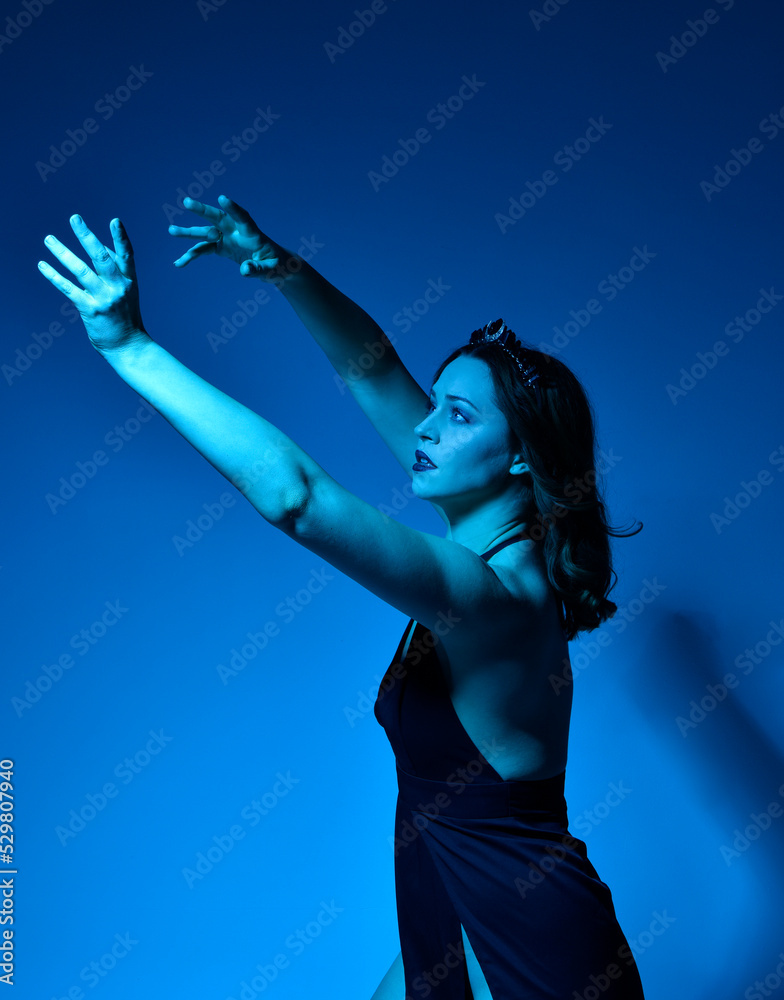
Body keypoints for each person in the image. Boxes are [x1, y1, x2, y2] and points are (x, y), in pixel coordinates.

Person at [38, 195, 645, 1000]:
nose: (426, 427)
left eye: (457, 416)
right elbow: (375, 370)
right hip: (463, 933)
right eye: (434, 404)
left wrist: (129, 348)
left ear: (522, 460)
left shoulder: (493, 595)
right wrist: (278, 264)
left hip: (534, 958)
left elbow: (297, 498)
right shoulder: (483, 539)